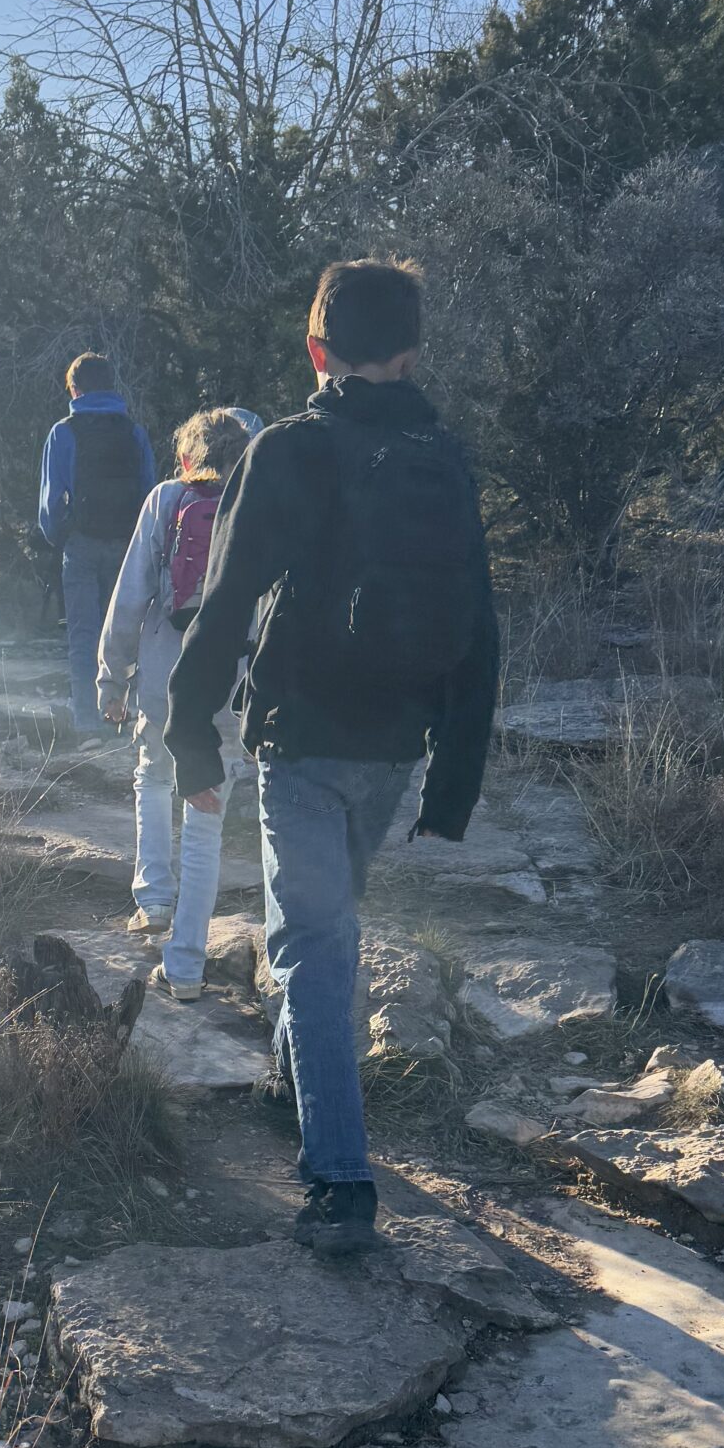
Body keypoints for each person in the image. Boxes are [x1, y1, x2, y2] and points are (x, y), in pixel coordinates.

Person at [165, 260, 499, 1257]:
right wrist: (452, 786)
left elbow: (226, 601)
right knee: (322, 928)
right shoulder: (445, 457)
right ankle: (298, 1080)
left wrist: (191, 732)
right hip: (396, 745)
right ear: (409, 354)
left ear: (316, 351)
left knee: (312, 945)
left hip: (303, 733)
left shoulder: (289, 452)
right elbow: (480, 626)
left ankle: (342, 1182)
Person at [97, 407, 257, 1000]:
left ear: (187, 458)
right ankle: (186, 969)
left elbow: (130, 592)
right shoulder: (258, 504)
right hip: (229, 686)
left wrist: (111, 678)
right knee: (207, 823)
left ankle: (153, 900)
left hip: (165, 679)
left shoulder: (166, 499)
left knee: (154, 776)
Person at [37, 352, 156, 739]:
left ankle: (88, 725)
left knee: (84, 636)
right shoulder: (133, 432)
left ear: (74, 389)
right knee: (126, 634)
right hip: (126, 547)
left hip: (83, 545)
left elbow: (52, 502)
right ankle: (130, 720)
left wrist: (61, 537)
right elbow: (149, 492)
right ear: (110, 385)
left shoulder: (64, 432)